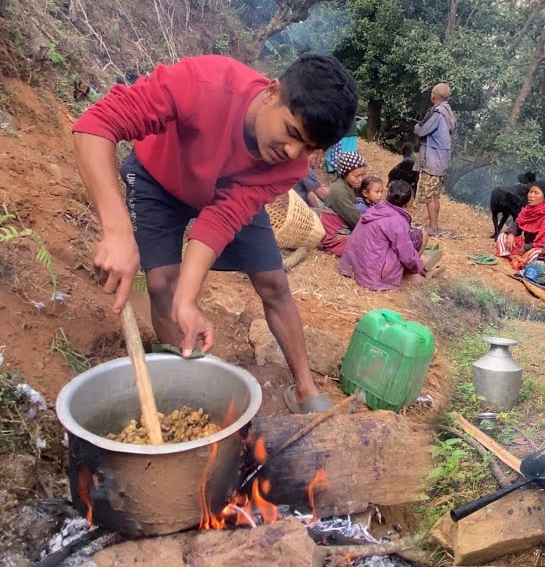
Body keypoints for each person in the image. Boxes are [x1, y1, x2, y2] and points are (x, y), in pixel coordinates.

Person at [72, 54, 358, 414]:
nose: (292, 153)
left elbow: (222, 218)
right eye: (292, 134)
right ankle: (180, 385)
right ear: (272, 93)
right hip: (158, 179)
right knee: (162, 283)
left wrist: (188, 300)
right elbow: (95, 124)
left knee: (274, 282)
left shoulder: (288, 165)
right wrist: (116, 231)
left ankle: (305, 388)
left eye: (309, 148)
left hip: (228, 191)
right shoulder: (205, 84)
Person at [339, 180, 430, 291]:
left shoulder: (374, 208)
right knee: (422, 236)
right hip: (373, 276)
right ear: (408, 202)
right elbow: (406, 254)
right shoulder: (398, 221)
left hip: (354, 266)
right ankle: (409, 274)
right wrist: (417, 267)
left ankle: (415, 267)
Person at [414, 82, 457, 236]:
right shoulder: (448, 111)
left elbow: (422, 130)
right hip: (442, 159)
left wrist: (417, 127)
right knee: (435, 195)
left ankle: (432, 227)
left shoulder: (438, 112)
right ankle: (434, 225)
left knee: (429, 195)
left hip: (433, 160)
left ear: (433, 96)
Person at [497, 180, 545, 269]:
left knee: (536, 255)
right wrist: (511, 234)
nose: (531, 195)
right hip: (526, 246)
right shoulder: (528, 209)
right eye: (530, 192)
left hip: (542, 249)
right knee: (503, 237)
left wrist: (525, 249)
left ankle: (521, 260)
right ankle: (514, 258)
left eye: (536, 193)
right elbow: (518, 224)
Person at [319, 151, 368, 256]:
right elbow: (356, 220)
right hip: (336, 237)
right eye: (356, 176)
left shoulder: (352, 186)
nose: (360, 179)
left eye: (363, 175)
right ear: (345, 174)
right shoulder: (339, 191)